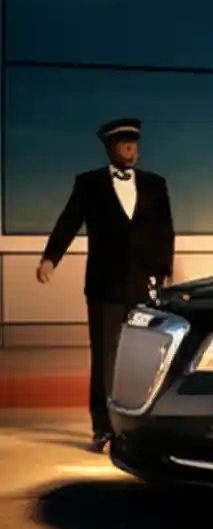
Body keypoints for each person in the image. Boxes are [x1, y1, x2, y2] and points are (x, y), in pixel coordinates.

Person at [36, 118, 175, 452]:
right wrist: (50, 257)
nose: (132, 149)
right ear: (111, 148)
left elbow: (164, 230)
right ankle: (103, 429)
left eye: (135, 143)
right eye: (125, 144)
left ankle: (137, 426)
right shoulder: (90, 184)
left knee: (144, 357)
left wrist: (163, 271)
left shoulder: (156, 184)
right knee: (104, 357)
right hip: (105, 285)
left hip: (144, 285)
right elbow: (69, 221)